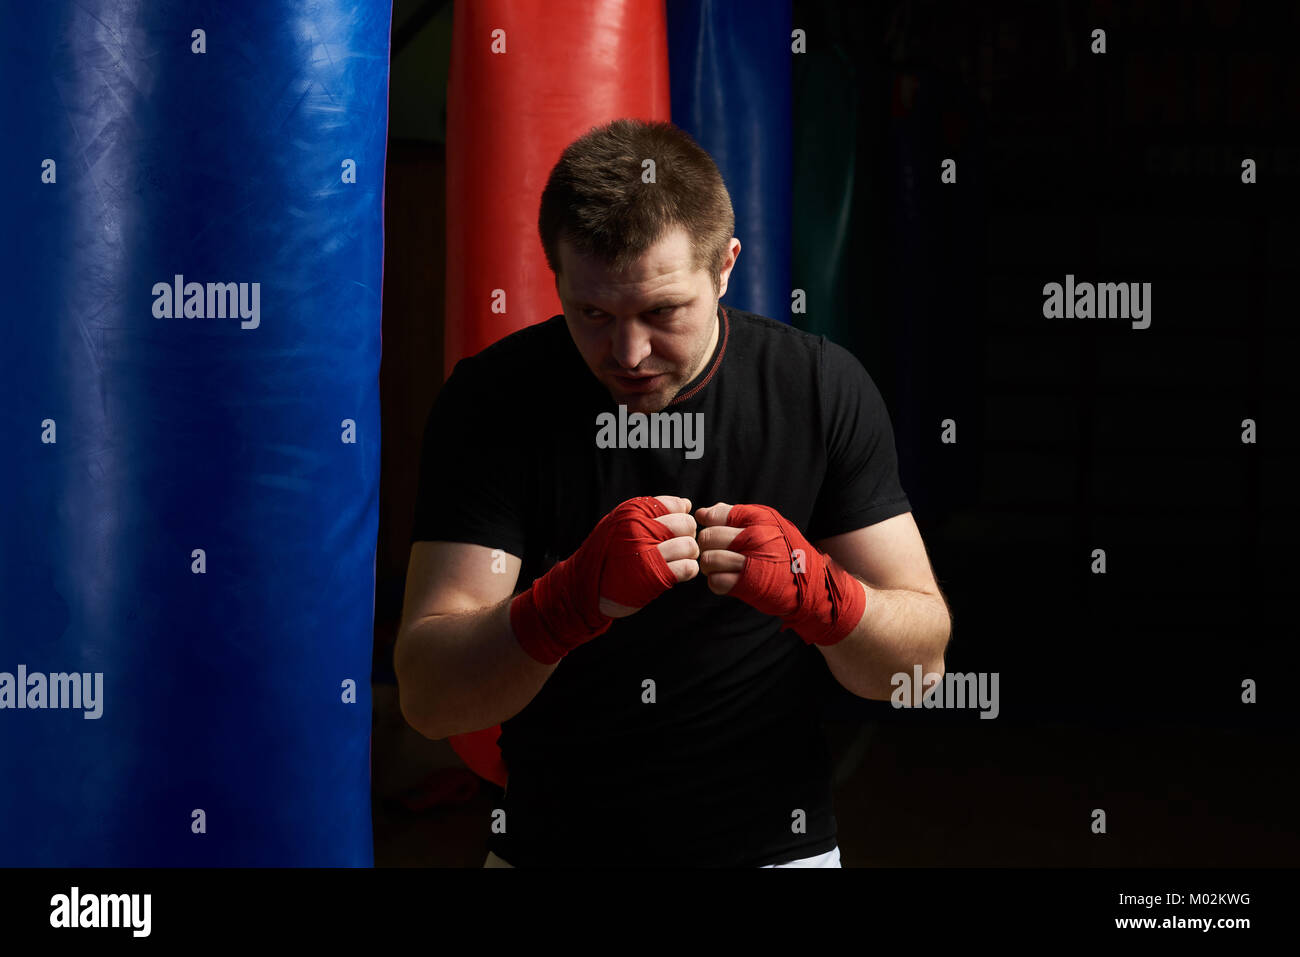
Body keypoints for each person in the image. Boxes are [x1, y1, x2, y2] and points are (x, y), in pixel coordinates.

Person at [395, 118, 952, 867]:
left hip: (774, 849)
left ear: (726, 267)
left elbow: (918, 671)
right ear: (554, 273)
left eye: (662, 312)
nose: (628, 354)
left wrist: (823, 595)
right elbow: (430, 699)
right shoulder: (495, 400)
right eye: (592, 313)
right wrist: (565, 604)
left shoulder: (816, 389)